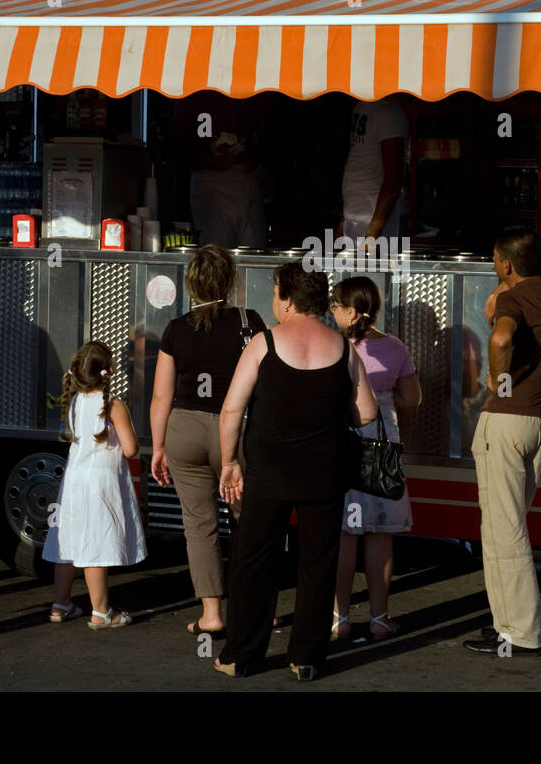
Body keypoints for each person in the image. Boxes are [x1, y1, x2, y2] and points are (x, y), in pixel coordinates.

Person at [213, 263, 377, 680]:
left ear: (287, 298)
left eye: (274, 294)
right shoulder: (344, 349)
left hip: (268, 471)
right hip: (324, 470)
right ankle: (306, 657)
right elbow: (366, 415)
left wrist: (230, 462)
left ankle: (241, 656)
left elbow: (231, 408)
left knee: (254, 561)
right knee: (318, 561)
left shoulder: (263, 344)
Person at [464, 229, 541, 657]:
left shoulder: (512, 300)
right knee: (501, 527)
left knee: (504, 532)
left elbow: (501, 338)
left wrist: (499, 381)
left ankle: (521, 634)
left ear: (506, 265)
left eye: (495, 262)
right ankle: (504, 623)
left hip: (507, 423)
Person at [150, 246, 266, 636]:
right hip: (236, 430)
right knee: (246, 521)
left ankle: (212, 613)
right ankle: (253, 609)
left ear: (191, 284)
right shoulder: (250, 323)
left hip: (185, 430)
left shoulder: (176, 329)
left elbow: (161, 397)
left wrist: (160, 446)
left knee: (199, 525)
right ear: (230, 281)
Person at [328, 277, 420, 641]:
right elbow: (412, 399)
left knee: (345, 534)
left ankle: (340, 619)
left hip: (343, 444)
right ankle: (380, 618)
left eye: (336, 306)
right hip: (383, 446)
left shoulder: (332, 346)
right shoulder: (395, 348)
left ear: (351, 311)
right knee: (379, 533)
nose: (332, 311)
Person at [44, 341, 146, 629]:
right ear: (110, 371)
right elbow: (130, 449)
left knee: (68, 542)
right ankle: (101, 611)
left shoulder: (74, 401)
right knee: (96, 543)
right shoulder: (113, 404)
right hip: (102, 483)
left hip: (74, 481)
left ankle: (60, 604)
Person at [179, 91, 267, 248]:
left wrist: (252, 157)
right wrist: (212, 161)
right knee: (216, 251)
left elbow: (265, 133)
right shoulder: (192, 94)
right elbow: (178, 151)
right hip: (209, 182)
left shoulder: (252, 91)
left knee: (252, 249)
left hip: (246, 178)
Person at [340, 95, 409, 245]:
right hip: (355, 218)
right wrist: (342, 225)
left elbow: (393, 181)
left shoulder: (388, 112)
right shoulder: (362, 106)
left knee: (373, 267)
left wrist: (371, 236)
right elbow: (359, 164)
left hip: (378, 224)